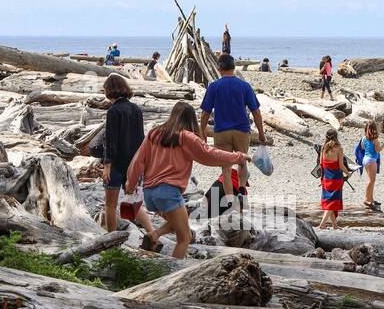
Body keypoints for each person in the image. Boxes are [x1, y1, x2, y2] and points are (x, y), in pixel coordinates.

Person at [125, 101, 248, 258]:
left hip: (149, 194)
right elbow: (210, 154)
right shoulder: (186, 137)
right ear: (190, 120)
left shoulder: (154, 133)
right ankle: (174, 274)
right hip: (168, 193)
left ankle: (154, 235)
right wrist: (238, 157)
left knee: (179, 225)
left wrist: (131, 183)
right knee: (184, 238)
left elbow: (138, 160)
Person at [199, 53, 266, 207]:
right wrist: (261, 133)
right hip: (242, 130)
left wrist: (202, 131)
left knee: (226, 167)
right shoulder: (244, 86)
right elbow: (256, 111)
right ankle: (242, 190)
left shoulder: (214, 86)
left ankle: (230, 202)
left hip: (221, 131)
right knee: (242, 162)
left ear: (219, 68)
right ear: (234, 67)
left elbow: (205, 112)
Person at [99, 73, 156, 244]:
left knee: (110, 205)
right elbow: (141, 139)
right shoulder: (136, 109)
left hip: (116, 164)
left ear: (109, 91)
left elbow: (111, 141)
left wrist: (107, 165)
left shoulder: (113, 111)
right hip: (133, 163)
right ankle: (153, 234)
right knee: (133, 202)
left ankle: (111, 240)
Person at [317, 130, 354, 229]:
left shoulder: (323, 148)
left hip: (325, 178)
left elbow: (321, 164)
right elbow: (341, 166)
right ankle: (322, 224)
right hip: (336, 178)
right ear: (336, 136)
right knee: (332, 202)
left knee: (329, 201)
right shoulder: (339, 149)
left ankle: (335, 225)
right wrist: (348, 173)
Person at [357, 120, 384, 208]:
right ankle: (366, 199)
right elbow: (378, 150)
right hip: (372, 160)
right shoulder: (375, 138)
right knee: (371, 181)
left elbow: (362, 147)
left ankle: (371, 199)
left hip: (365, 159)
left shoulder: (363, 138)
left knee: (371, 180)